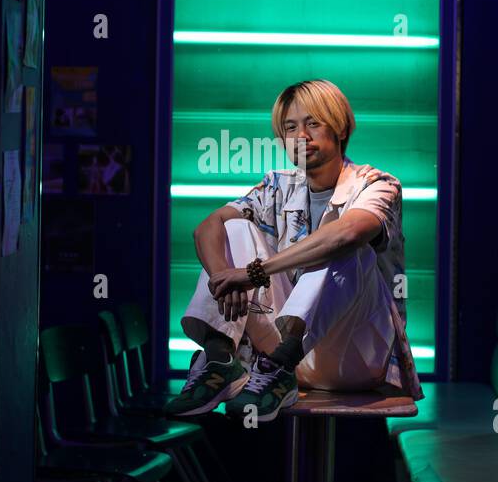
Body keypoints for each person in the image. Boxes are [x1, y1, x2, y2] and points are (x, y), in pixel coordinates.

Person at [165, 79, 423, 422]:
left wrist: (253, 273)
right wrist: (223, 280)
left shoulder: (377, 184)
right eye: (290, 127)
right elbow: (206, 228)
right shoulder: (278, 185)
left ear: (341, 126)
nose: (301, 136)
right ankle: (220, 359)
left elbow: (346, 235)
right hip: (283, 362)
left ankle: (282, 361)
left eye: (312, 123)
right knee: (234, 227)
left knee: (344, 245)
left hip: (356, 357)